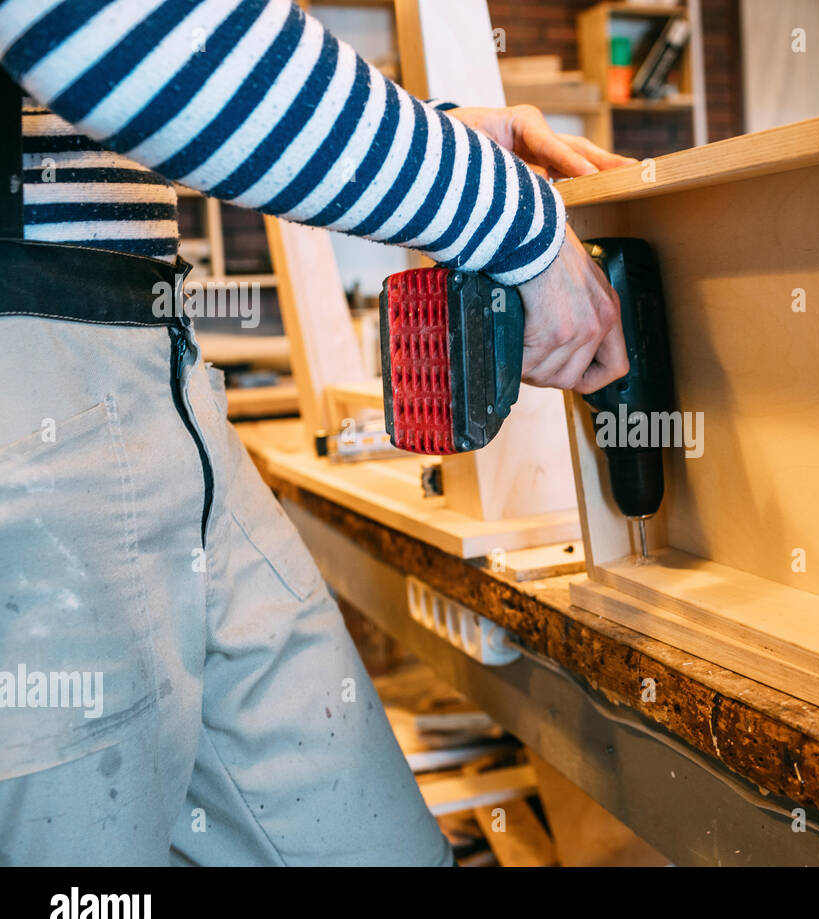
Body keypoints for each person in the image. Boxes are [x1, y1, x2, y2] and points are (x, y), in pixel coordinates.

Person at [0, 0, 632, 865]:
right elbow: (114, 26)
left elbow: (183, 69)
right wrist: (511, 221)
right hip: (31, 391)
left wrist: (435, 137)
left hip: (152, 373)